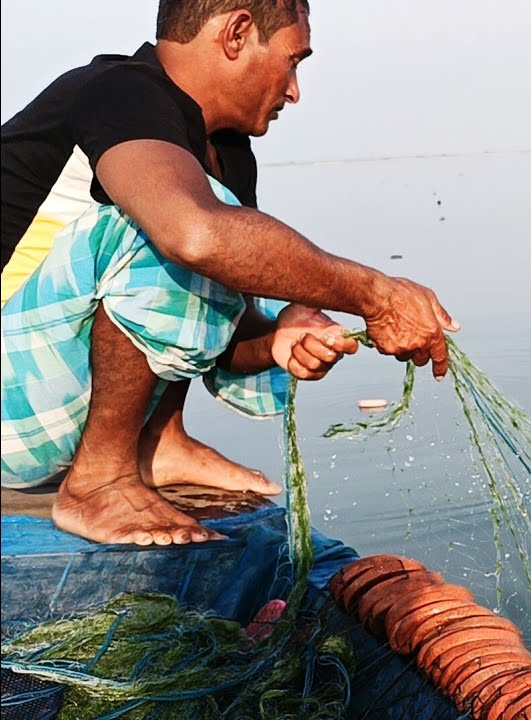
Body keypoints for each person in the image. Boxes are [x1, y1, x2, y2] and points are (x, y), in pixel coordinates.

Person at [0, 0, 460, 546]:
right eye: (293, 61)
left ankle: (159, 441)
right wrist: (375, 295)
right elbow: (193, 235)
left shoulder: (227, 153)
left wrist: (275, 339)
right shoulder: (118, 92)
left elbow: (212, 330)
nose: (294, 90)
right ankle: (102, 478)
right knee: (188, 224)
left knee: (213, 236)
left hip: (41, 412)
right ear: (238, 32)